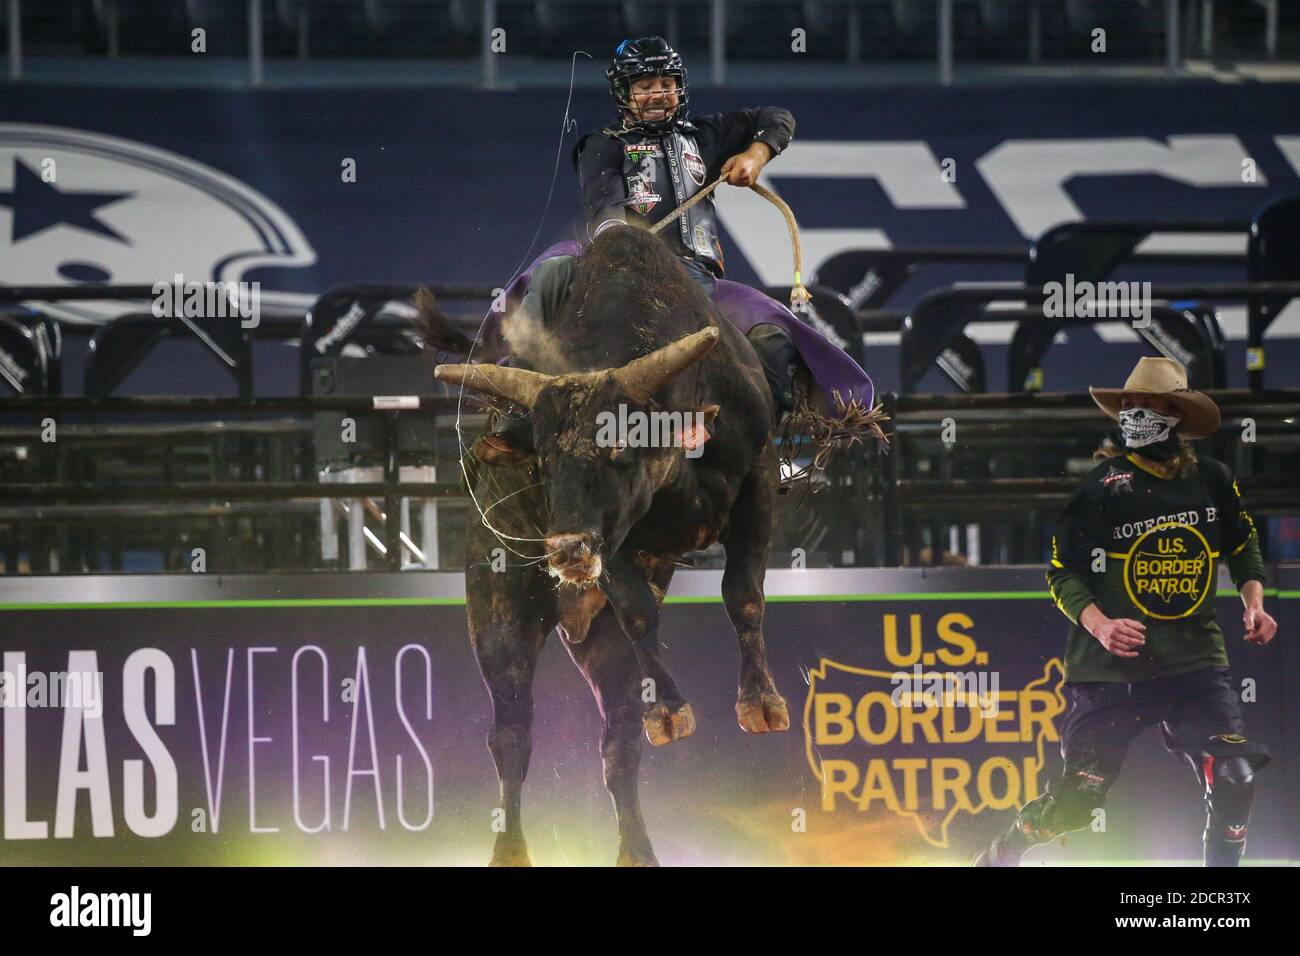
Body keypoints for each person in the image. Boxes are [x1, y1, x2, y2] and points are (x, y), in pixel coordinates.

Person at [974, 356, 1277, 867]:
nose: (1135, 412)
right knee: (1076, 802)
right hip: (1111, 671)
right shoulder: (1101, 487)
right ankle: (1003, 853)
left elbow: (1242, 543)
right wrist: (1101, 624)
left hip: (1193, 662)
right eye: (1128, 404)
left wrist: (1254, 602)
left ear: (1175, 412)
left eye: (1148, 403)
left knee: (1234, 775)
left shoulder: (1214, 480)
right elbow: (1061, 571)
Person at [481, 36, 800, 464]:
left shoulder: (706, 135)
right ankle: (521, 413)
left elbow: (776, 117)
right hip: (624, 273)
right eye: (644, 85)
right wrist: (632, 249)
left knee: (774, 335)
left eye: (665, 83)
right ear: (624, 93)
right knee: (553, 270)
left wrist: (755, 154)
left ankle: (763, 453)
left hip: (702, 278)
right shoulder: (603, 145)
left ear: (680, 87)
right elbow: (606, 216)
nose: (657, 94)